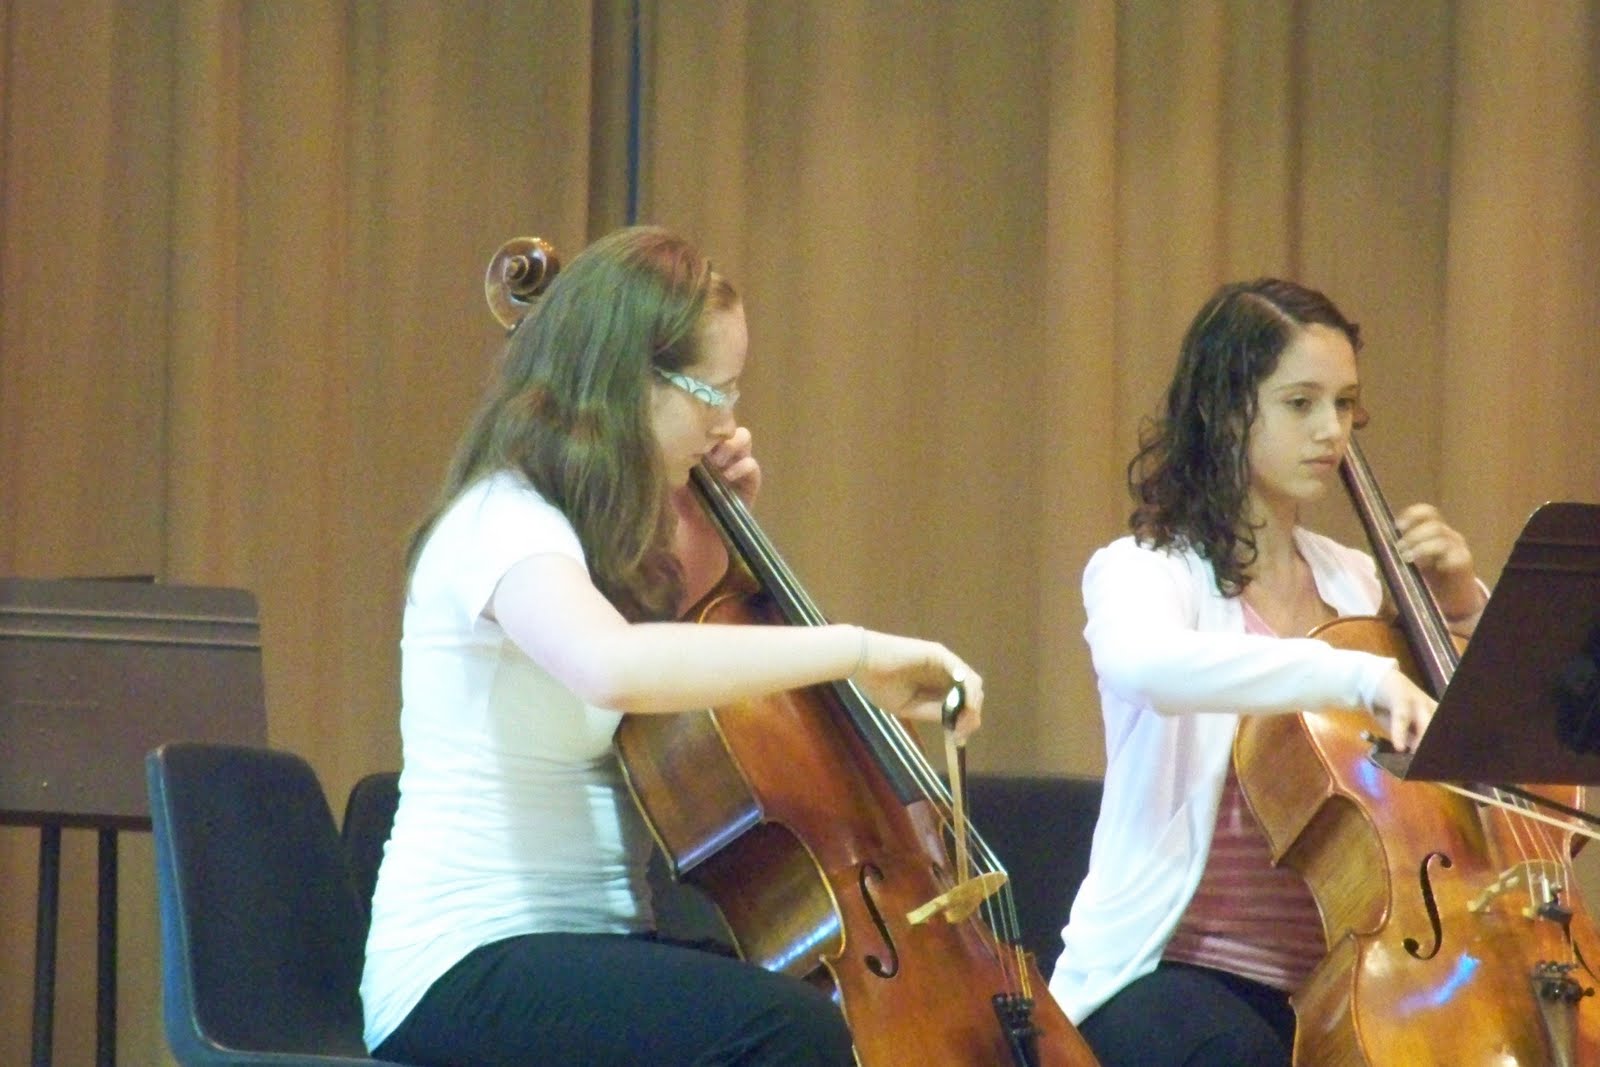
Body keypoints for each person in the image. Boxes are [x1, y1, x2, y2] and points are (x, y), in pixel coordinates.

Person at [360, 225, 982, 1066]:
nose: (728, 419)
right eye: (711, 391)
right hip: (460, 967)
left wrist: (704, 531)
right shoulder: (499, 522)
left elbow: (691, 678)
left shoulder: (594, 545)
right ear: (628, 385)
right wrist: (854, 651)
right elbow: (616, 665)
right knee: (786, 1033)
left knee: (812, 1012)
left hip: (584, 947)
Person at [1046, 278, 1487, 1066]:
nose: (1333, 430)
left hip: (1342, 979)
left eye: (1346, 403)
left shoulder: (1355, 578)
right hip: (1172, 970)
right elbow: (1149, 666)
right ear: (1226, 410)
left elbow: (1469, 742)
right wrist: (1349, 673)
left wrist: (1458, 603)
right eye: (1300, 403)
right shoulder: (1145, 569)